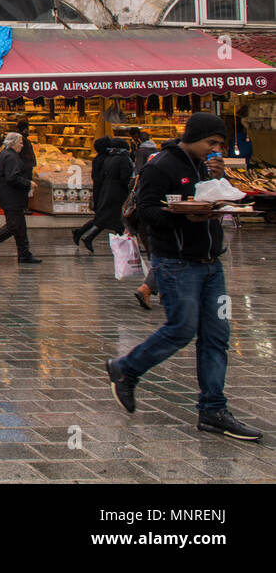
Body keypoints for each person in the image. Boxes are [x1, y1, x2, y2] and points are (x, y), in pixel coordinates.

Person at [106, 112, 262, 441]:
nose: (216, 148)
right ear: (193, 137)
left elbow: (216, 200)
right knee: (181, 328)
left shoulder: (205, 167)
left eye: (220, 143)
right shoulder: (159, 165)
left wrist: (218, 184)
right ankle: (127, 368)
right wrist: (184, 216)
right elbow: (145, 211)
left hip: (210, 262)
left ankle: (213, 410)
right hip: (176, 262)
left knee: (217, 336)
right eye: (212, 142)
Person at [0, 132, 41, 264]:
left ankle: (24, 254)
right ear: (14, 143)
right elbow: (12, 178)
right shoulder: (12, 158)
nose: (22, 145)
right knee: (13, 227)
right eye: (21, 142)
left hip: (6, 196)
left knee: (20, 227)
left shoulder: (1, 155)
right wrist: (28, 183)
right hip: (13, 198)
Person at [71, 137, 133, 253]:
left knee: (109, 218)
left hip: (106, 191)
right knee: (108, 218)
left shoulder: (107, 158)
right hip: (117, 193)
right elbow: (124, 177)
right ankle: (90, 236)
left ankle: (84, 234)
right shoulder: (122, 159)